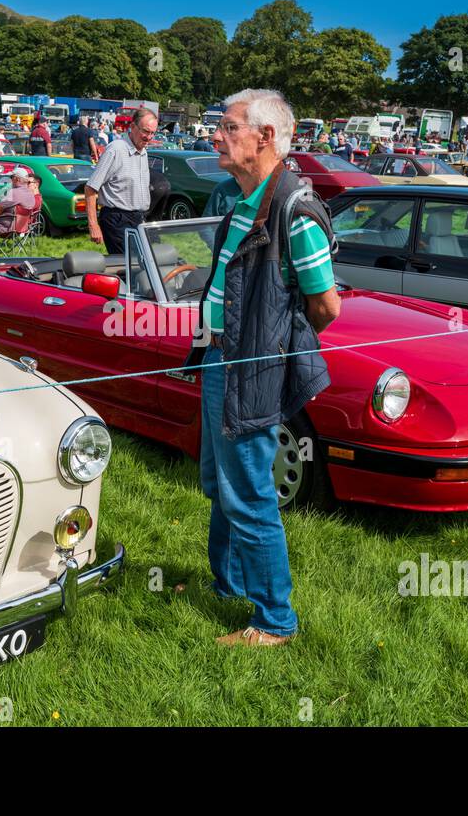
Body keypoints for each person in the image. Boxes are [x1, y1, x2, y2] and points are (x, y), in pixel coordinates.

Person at [181, 88, 340, 647]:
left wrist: (270, 346)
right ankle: (228, 588)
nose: (215, 135)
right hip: (222, 359)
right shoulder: (242, 200)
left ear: (265, 137)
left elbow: (325, 306)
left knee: (248, 492)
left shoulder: (294, 210)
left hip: (250, 367)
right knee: (220, 484)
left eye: (227, 127)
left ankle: (274, 621)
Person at [84, 107, 157, 254]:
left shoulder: (143, 151)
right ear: (132, 127)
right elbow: (90, 188)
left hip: (137, 219)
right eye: (145, 131)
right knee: (129, 267)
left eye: (152, 133)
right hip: (117, 219)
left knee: (144, 265)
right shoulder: (116, 150)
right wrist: (93, 225)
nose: (149, 137)